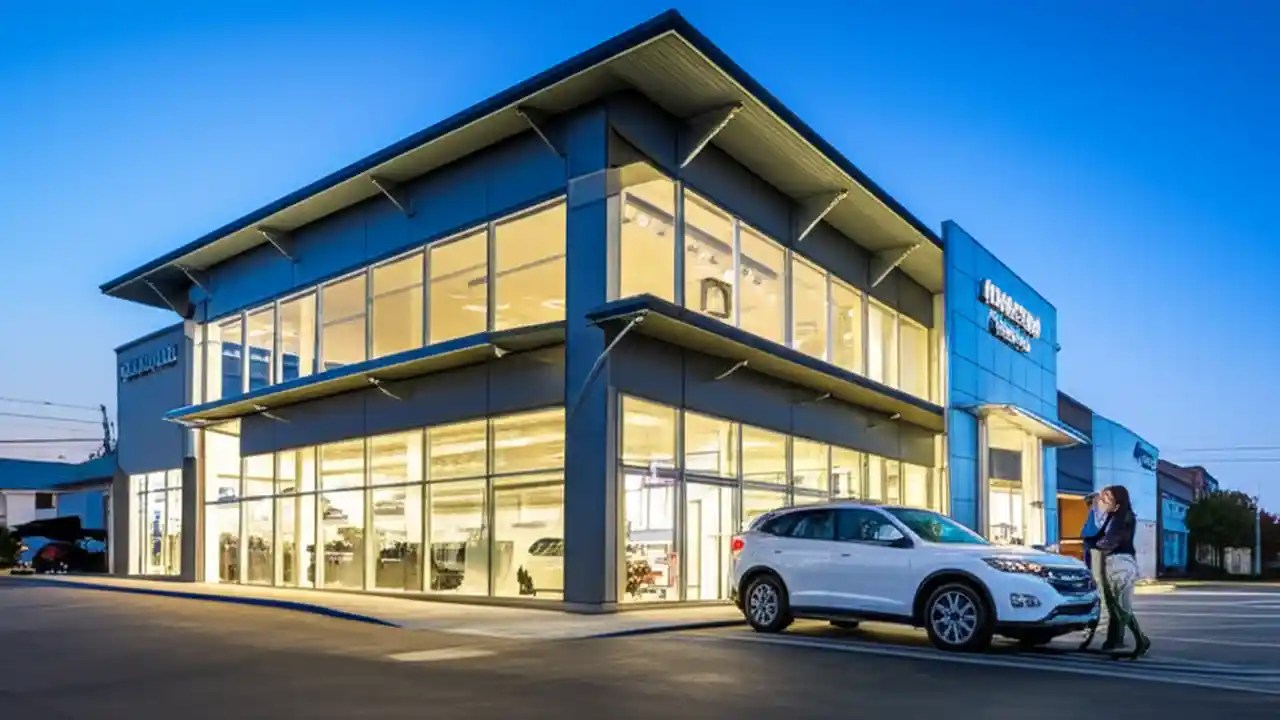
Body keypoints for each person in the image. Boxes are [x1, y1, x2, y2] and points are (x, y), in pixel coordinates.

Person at [1094, 485, 1151, 658]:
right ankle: (1131, 640)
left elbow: (1116, 539)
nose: (1103, 501)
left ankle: (1141, 639)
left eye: (1107, 497)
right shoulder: (1112, 517)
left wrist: (1101, 544)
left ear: (1118, 501)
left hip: (1121, 563)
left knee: (1122, 606)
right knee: (1117, 606)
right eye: (1103, 497)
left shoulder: (1124, 517)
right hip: (1113, 563)